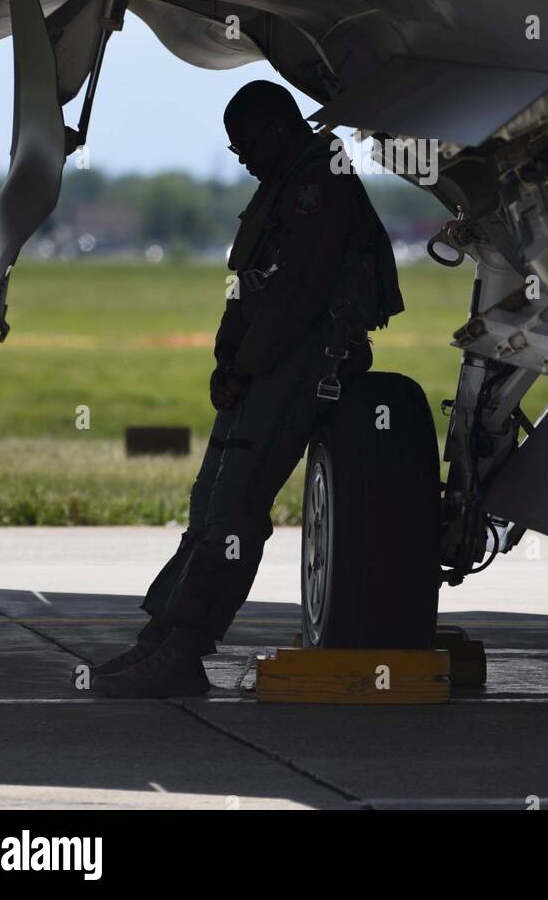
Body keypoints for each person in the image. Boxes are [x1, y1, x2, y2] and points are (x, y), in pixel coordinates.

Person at [91, 81, 403, 697]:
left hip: (302, 363)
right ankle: (163, 636)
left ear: (279, 129)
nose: (244, 159)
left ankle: (183, 648)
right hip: (265, 366)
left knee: (234, 512)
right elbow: (249, 286)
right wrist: (225, 358)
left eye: (247, 146)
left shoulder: (319, 185)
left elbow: (297, 296)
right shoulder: (282, 187)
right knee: (209, 505)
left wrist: (243, 365)